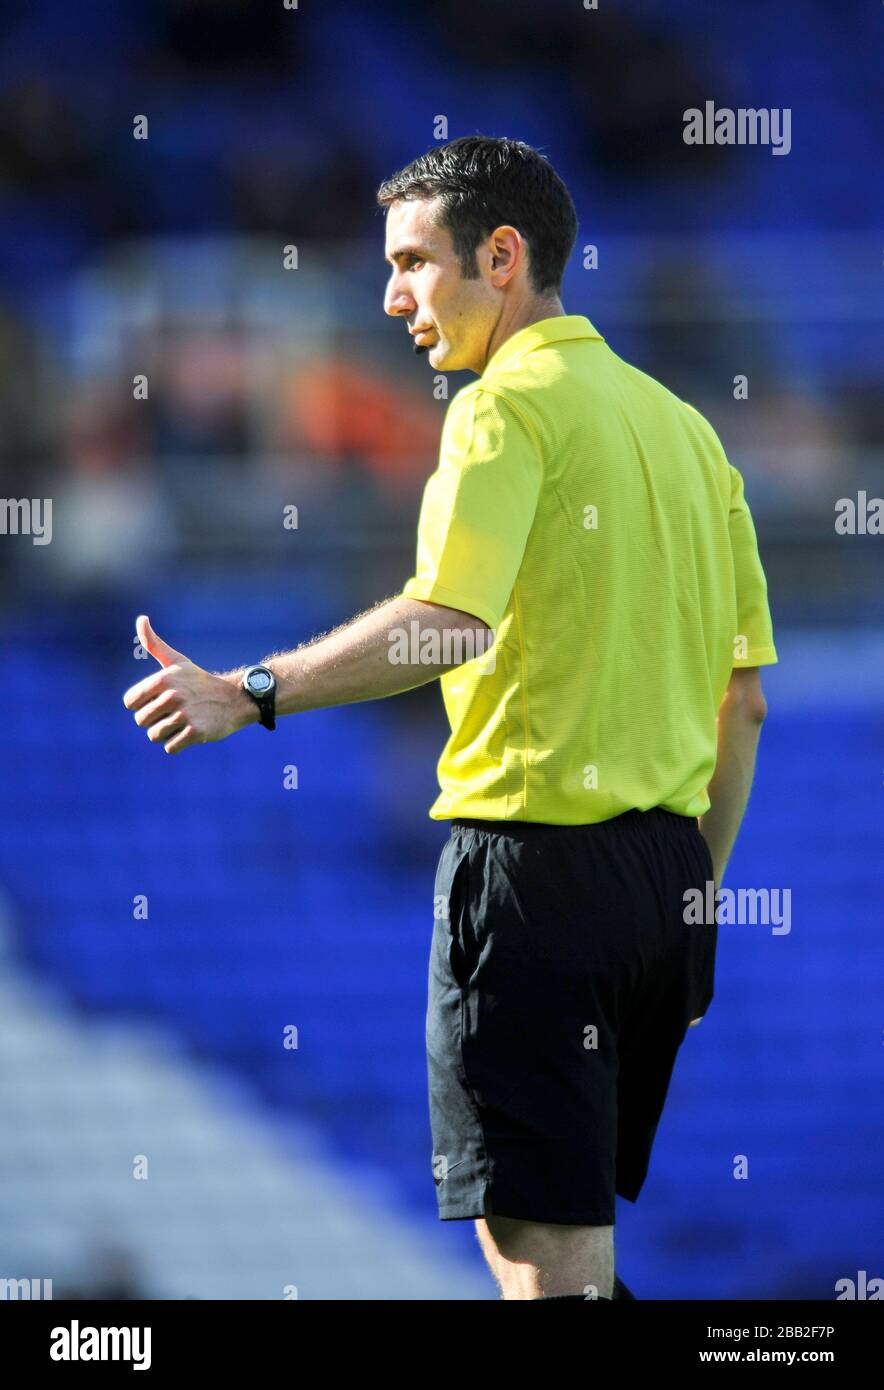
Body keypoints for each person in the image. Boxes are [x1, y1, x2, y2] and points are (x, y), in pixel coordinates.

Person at [123, 135, 777, 1302]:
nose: (391, 296)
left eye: (414, 262)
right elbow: (743, 702)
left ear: (502, 256)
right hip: (664, 882)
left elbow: (448, 624)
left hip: (533, 882)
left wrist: (250, 690)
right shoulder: (688, 433)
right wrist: (696, 884)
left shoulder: (499, 412)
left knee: (543, 1265)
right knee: (564, 1250)